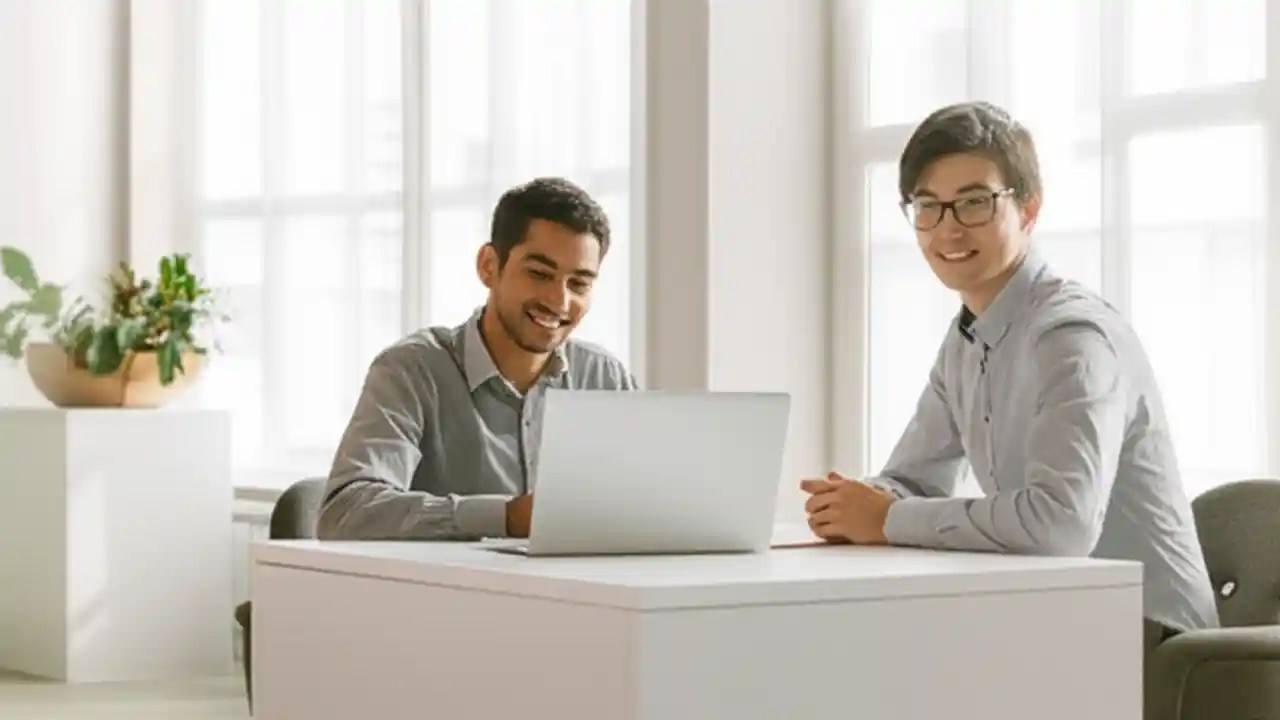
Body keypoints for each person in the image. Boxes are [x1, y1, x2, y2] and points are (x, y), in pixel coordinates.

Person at [801, 102, 1219, 646]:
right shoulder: (966, 338)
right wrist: (853, 501)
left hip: (1148, 636)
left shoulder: (1071, 338)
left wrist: (886, 518)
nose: (948, 229)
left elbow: (1060, 525)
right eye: (928, 206)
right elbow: (913, 479)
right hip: (1055, 611)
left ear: (1028, 209)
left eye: (974, 203)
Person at [317, 177, 636, 541]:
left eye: (578, 284)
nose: (559, 302)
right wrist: (507, 517)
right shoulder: (411, 370)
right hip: (450, 596)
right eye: (539, 274)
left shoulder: (604, 378)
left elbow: (649, 501)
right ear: (488, 266)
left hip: (581, 594)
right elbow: (345, 514)